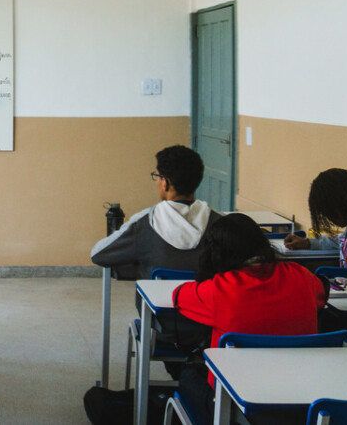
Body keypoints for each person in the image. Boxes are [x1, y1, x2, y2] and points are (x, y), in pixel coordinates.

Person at [172, 213, 328, 424]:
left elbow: (178, 296)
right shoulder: (300, 275)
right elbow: (321, 294)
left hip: (237, 402)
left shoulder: (220, 289)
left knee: (189, 374)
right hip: (300, 398)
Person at [90, 145, 221, 279]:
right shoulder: (221, 222)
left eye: (156, 176)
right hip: (206, 299)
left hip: (157, 300)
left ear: (165, 182)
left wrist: (142, 268)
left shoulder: (145, 222)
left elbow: (98, 254)